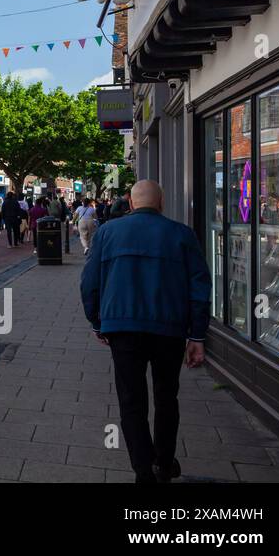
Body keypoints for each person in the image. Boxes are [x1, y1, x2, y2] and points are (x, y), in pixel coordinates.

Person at [80, 180, 210, 484]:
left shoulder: (108, 233)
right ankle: (164, 463)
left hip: (123, 328)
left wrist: (97, 320)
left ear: (131, 202)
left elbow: (89, 282)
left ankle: (143, 469)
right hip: (169, 328)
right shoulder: (182, 235)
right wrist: (197, 335)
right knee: (167, 396)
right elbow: (200, 287)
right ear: (161, 203)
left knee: (131, 399)